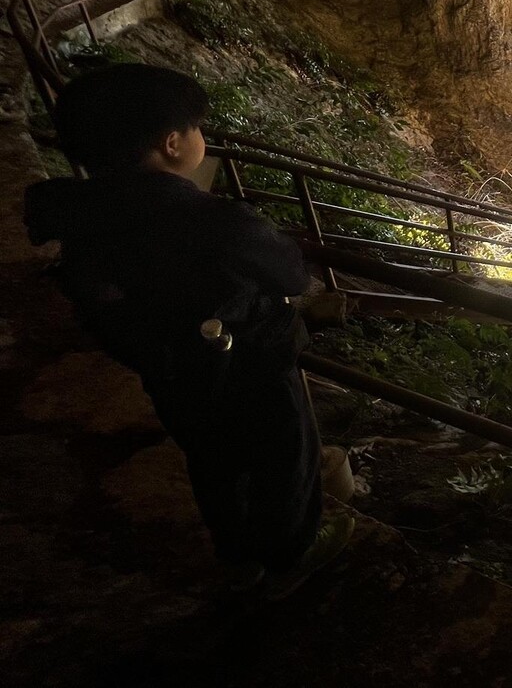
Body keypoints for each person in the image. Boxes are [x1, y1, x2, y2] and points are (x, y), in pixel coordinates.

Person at [24, 63, 351, 596]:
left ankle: (237, 555)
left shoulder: (83, 213)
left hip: (169, 369)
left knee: (212, 459)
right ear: (172, 143)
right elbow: (289, 272)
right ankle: (292, 555)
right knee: (286, 455)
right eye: (197, 128)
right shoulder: (217, 223)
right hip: (251, 362)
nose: (203, 137)